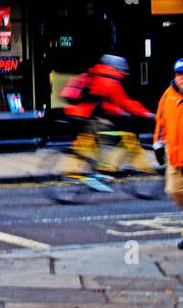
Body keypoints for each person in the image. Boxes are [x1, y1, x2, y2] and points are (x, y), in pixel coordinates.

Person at [64, 54, 155, 183]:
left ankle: (79, 171)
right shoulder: (110, 80)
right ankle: (101, 173)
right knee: (107, 141)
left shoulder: (95, 74)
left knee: (86, 145)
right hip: (91, 118)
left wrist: (117, 111)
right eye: (123, 69)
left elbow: (103, 101)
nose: (124, 73)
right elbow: (124, 102)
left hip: (78, 114)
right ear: (116, 67)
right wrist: (146, 114)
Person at [153, 58, 183, 249]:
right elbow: (161, 121)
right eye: (179, 74)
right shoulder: (168, 95)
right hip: (174, 155)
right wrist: (157, 144)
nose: (182, 78)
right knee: (173, 190)